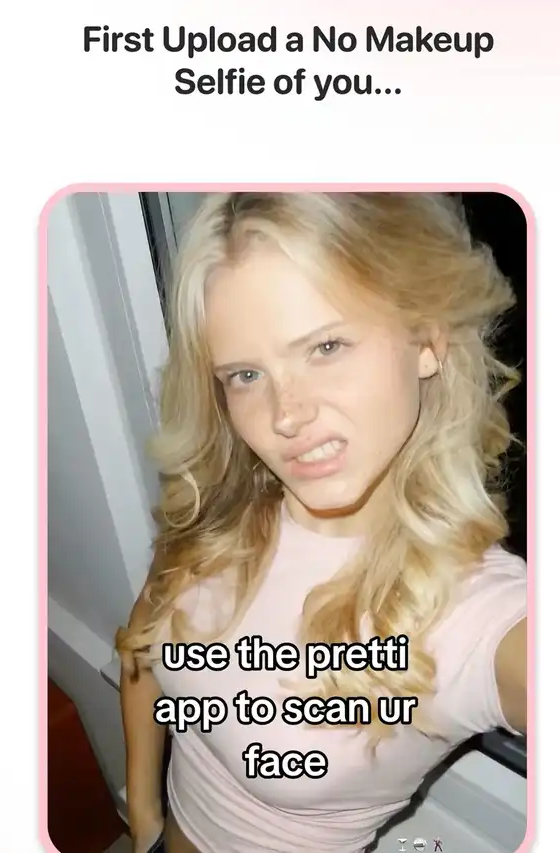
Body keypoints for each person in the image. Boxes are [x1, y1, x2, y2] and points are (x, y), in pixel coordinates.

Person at [116, 192, 527, 853]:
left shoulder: (472, 610)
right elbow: (141, 644)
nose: (286, 414)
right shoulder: (225, 512)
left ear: (427, 339)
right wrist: (142, 816)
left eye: (326, 346)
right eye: (246, 374)